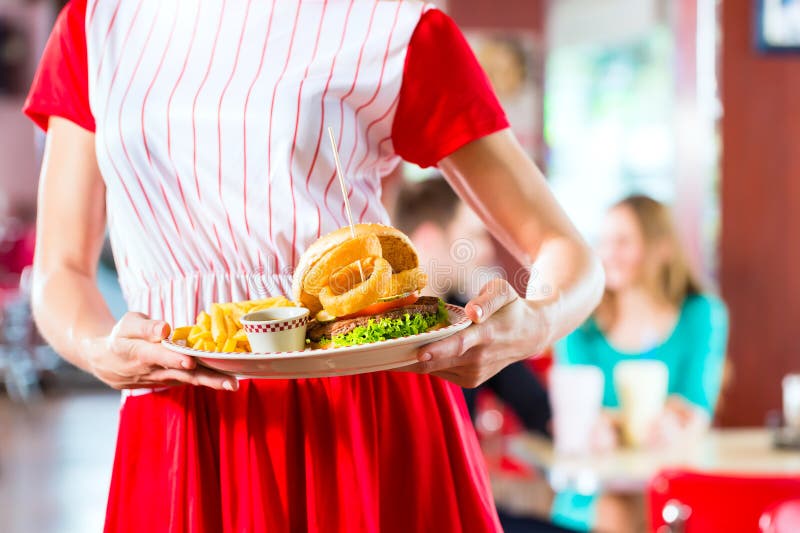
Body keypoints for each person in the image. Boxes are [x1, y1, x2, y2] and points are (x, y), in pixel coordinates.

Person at [25, 1, 603, 531]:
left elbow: (565, 249)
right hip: (178, 412)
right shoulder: (97, 25)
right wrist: (97, 348)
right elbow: (60, 269)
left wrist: (533, 324)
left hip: (358, 415)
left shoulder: (393, 24)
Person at [552, 195, 729, 532]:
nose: (608, 254)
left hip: (671, 483)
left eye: (623, 242)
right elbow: (580, 414)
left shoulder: (702, 314)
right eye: (604, 242)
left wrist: (623, 423)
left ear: (661, 248)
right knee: (617, 509)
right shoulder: (579, 325)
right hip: (596, 492)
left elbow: (696, 408)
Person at [394, 177, 552, 437]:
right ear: (429, 239)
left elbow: (537, 409)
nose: (487, 251)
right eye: (475, 237)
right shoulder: (370, 332)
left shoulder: (471, 317)